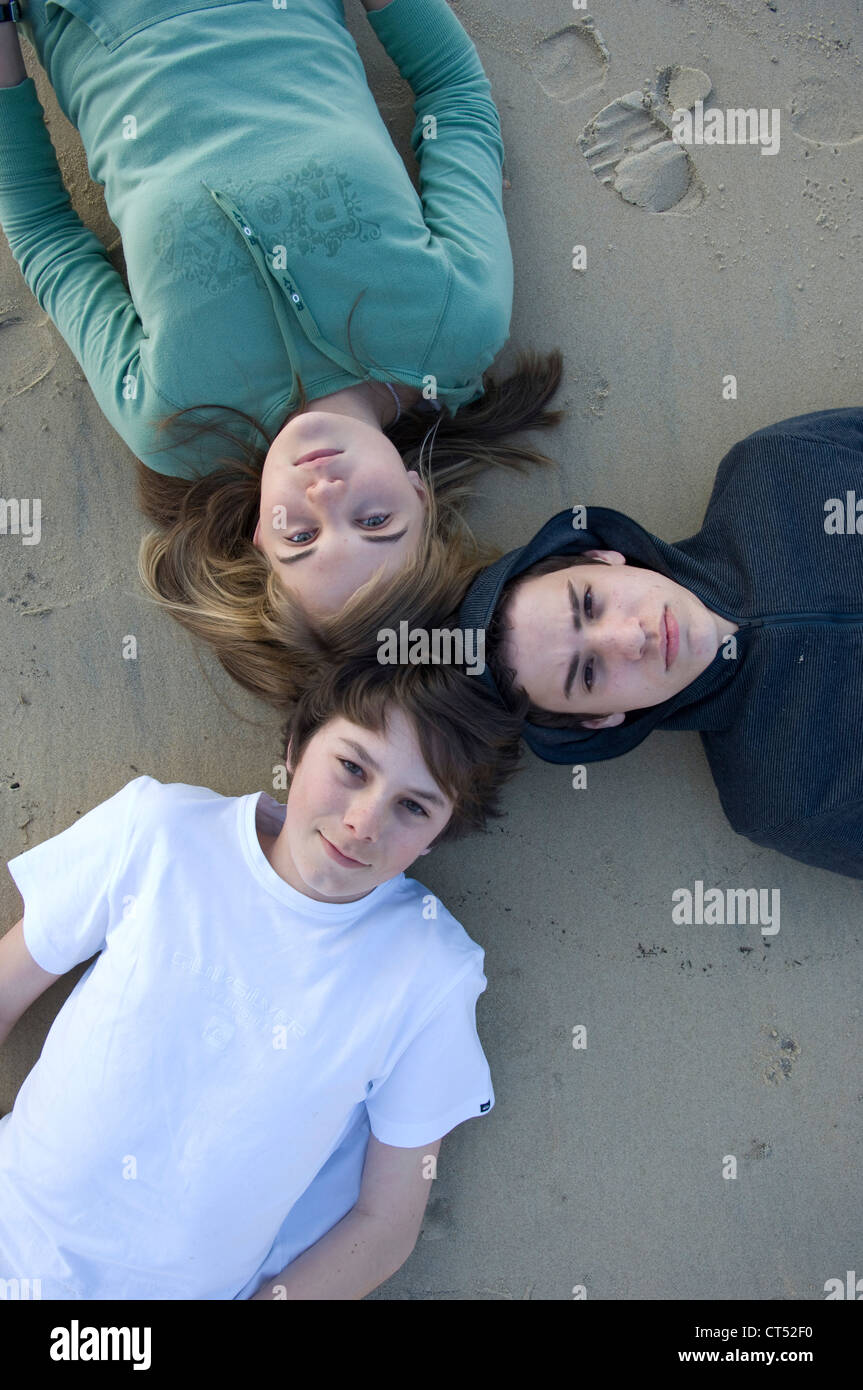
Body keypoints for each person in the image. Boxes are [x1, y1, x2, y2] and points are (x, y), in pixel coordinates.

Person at [0, 1, 564, 697]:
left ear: (262, 543)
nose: (325, 495)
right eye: (374, 520)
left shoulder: (174, 418)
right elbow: (453, 90)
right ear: (419, 496)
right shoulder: (455, 325)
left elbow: (43, 233)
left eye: (301, 539)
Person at [0, 657, 523, 1299]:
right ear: (298, 746)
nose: (364, 821)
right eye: (352, 769)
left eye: (413, 807)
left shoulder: (428, 972)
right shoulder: (162, 833)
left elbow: (385, 1223)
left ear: (441, 834)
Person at [458, 407, 863, 879]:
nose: (631, 638)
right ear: (600, 720)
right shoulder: (785, 799)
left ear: (602, 558)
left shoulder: (777, 468)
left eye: (590, 604)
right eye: (588, 673)